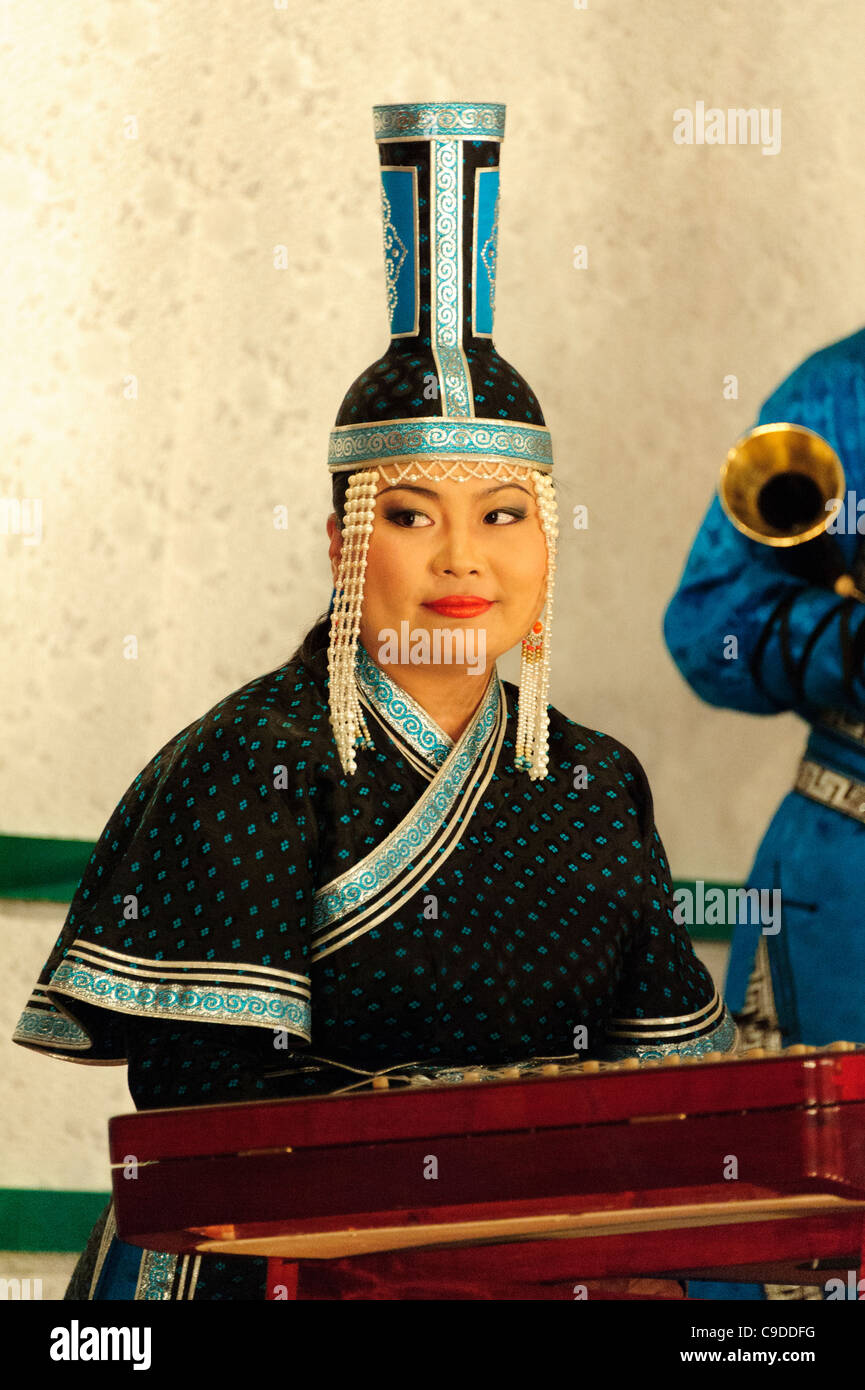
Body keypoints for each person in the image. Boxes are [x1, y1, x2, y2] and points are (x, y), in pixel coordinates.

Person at [13, 100, 736, 1302]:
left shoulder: (595, 778)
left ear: (548, 544)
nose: (464, 559)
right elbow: (207, 1127)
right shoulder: (251, 759)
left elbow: (650, 1092)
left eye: (503, 516)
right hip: (280, 1263)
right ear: (342, 540)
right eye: (413, 514)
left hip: (542, 1266)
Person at [663, 326, 865, 1301]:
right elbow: (706, 626)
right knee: (809, 1234)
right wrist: (847, 645)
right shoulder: (836, 390)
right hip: (844, 877)